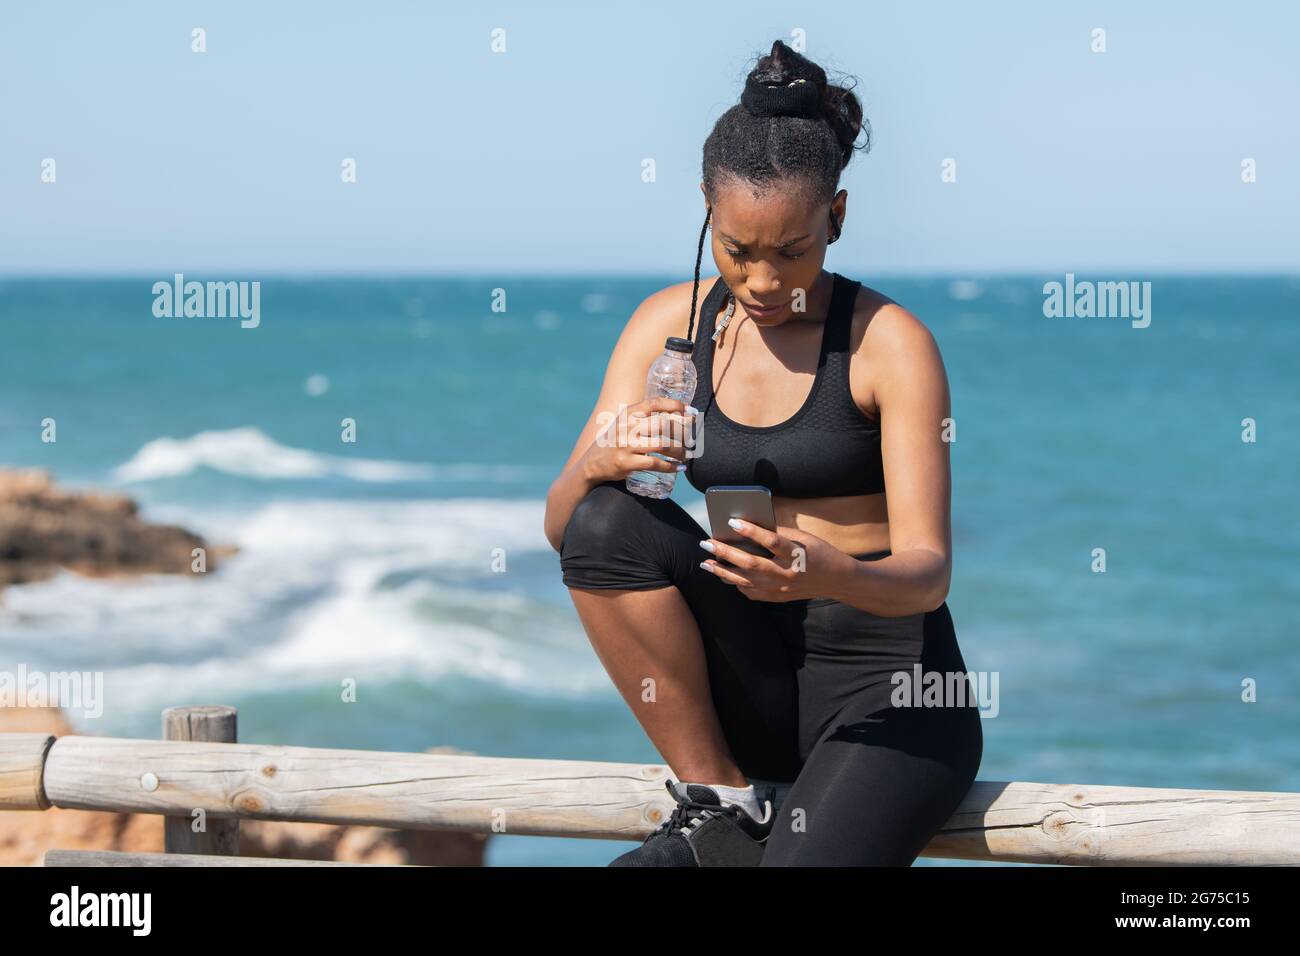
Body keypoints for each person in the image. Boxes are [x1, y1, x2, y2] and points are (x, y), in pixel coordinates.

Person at [542, 39, 982, 866]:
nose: (763, 281)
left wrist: (831, 574)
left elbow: (930, 570)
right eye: (738, 250)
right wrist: (596, 465)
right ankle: (722, 804)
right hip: (750, 678)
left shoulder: (889, 343)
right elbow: (566, 532)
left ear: (837, 220)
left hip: (888, 689)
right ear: (708, 214)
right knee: (606, 520)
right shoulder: (664, 327)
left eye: (793, 251)